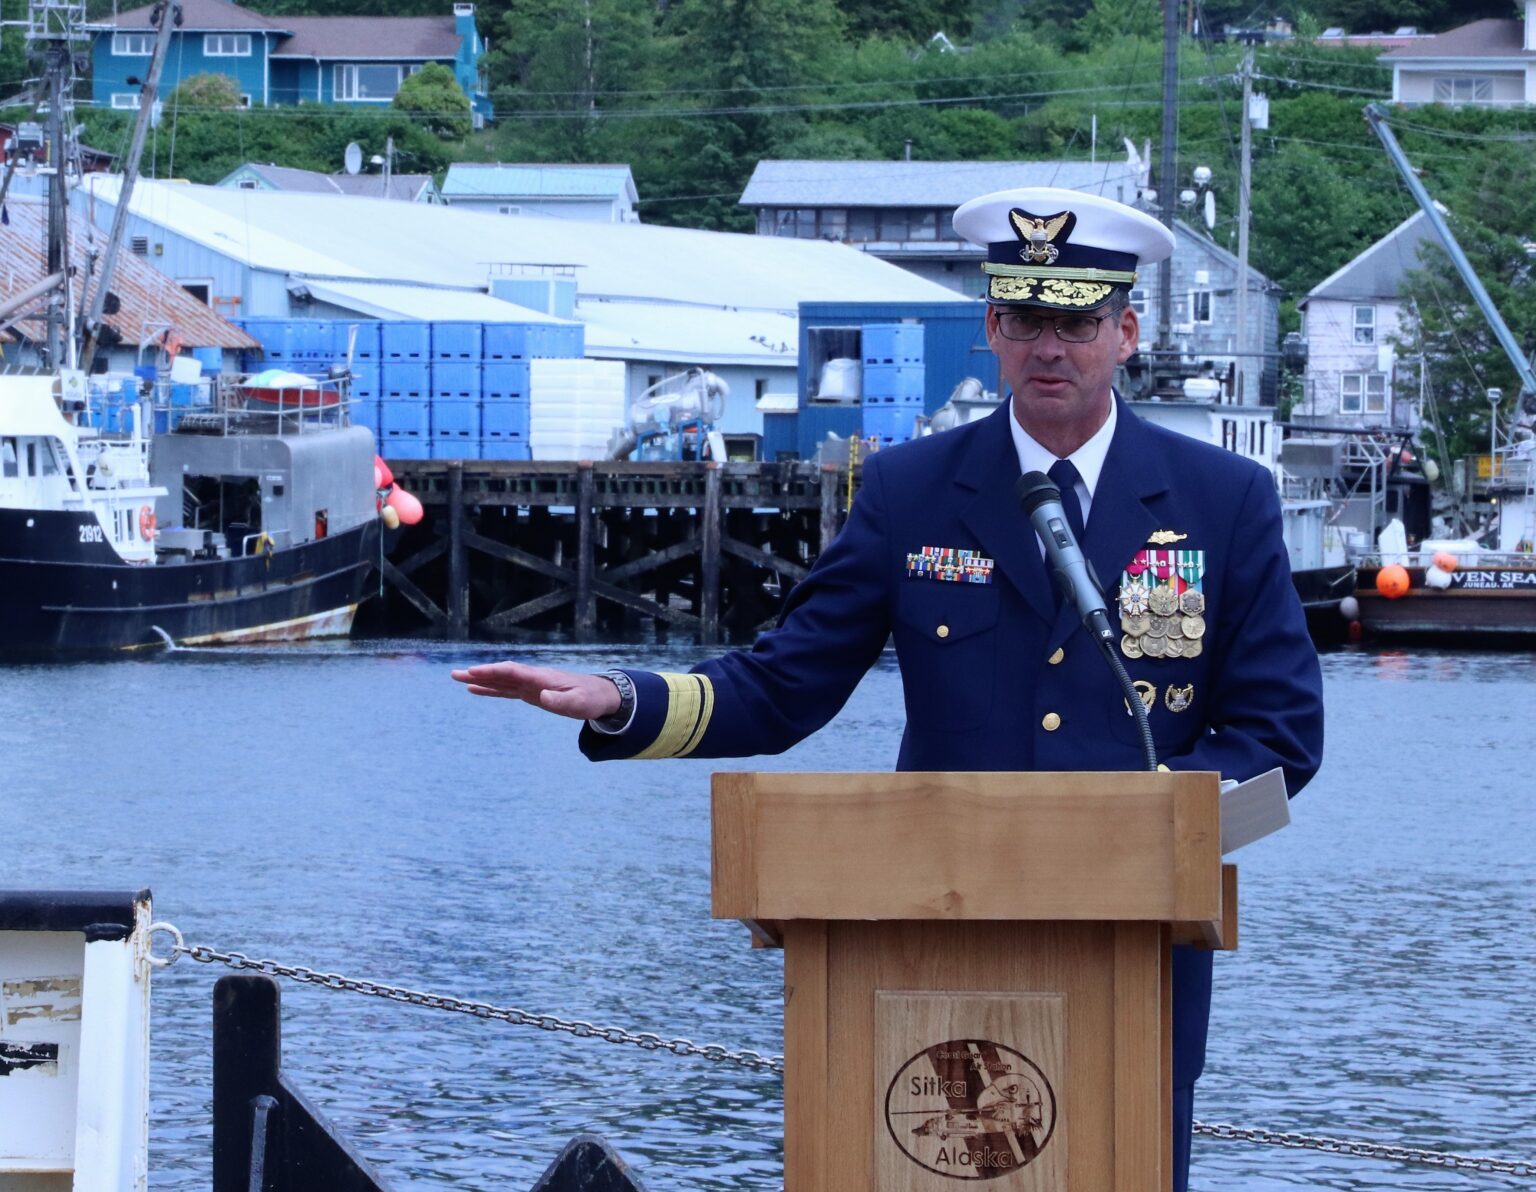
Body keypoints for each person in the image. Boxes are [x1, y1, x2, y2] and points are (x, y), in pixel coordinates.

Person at [453, 186, 1325, 1190]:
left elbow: (1280, 736)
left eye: (1077, 321)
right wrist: (622, 699)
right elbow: (788, 684)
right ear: (992, 330)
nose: (1051, 346)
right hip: (929, 943)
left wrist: (1143, 833)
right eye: (1027, 319)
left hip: (1134, 953)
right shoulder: (913, 489)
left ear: (1126, 331)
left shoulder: (1223, 500)